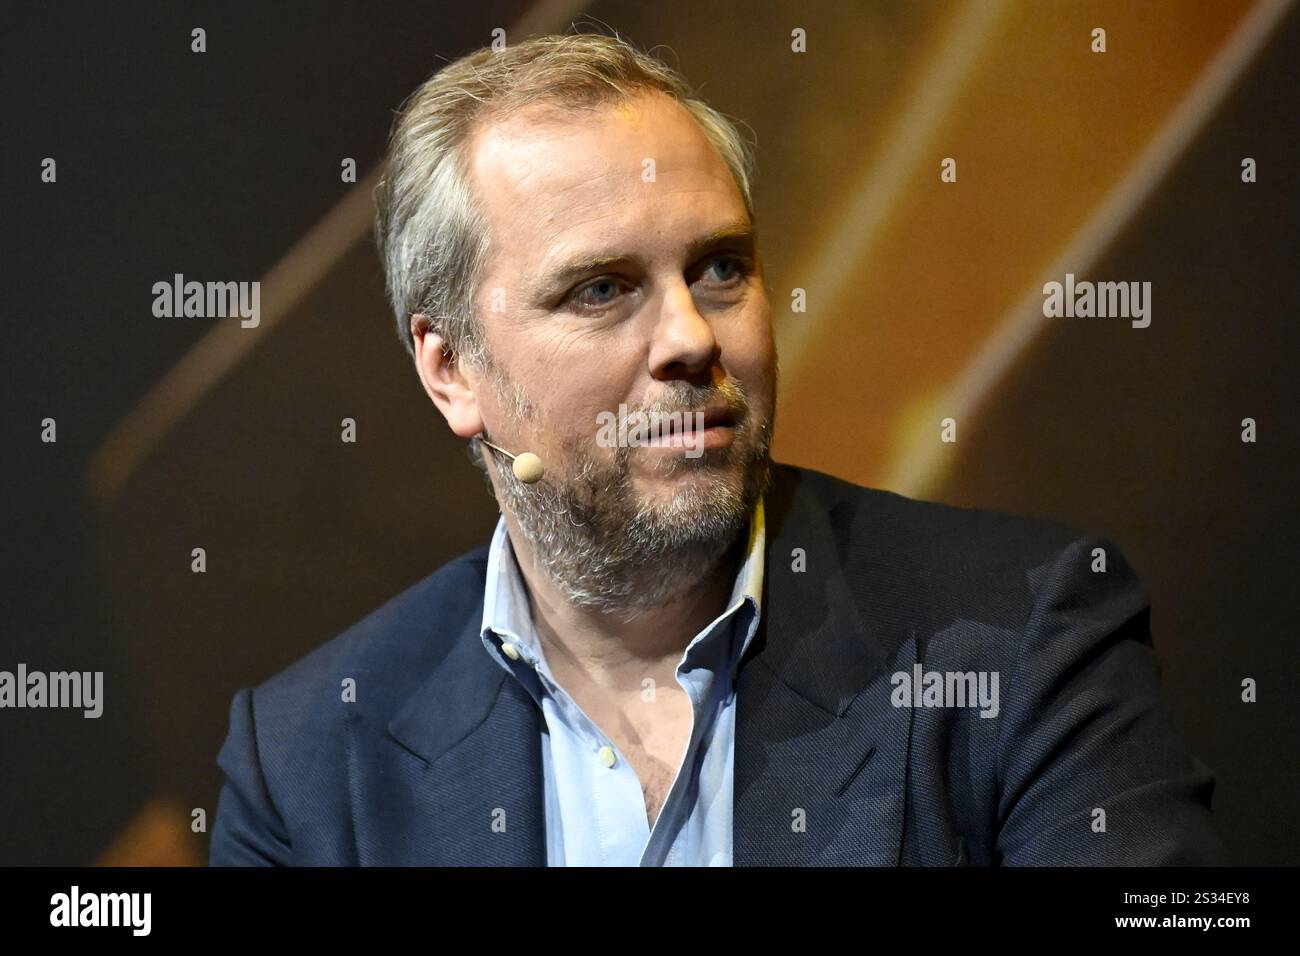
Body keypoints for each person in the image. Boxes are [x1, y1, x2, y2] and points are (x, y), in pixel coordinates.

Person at [210, 32, 1224, 866]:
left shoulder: (1020, 636)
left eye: (721, 267)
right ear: (452, 371)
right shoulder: (308, 761)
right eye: (601, 288)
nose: (693, 337)